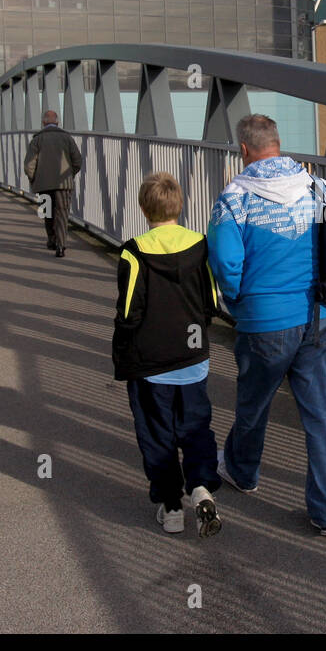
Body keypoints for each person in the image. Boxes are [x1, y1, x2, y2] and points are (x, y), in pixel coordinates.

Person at [207, 114, 326, 536]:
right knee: (320, 416)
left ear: (243, 150)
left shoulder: (234, 197)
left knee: (253, 403)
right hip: (316, 318)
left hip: (262, 322)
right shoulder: (319, 187)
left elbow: (225, 262)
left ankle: (243, 472)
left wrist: (240, 299)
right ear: (278, 143)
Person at [113, 172, 223, 537]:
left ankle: (172, 506)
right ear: (180, 205)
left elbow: (129, 312)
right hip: (193, 359)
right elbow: (210, 302)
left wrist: (122, 354)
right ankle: (202, 486)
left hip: (151, 364)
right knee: (195, 428)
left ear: (145, 208)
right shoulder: (199, 245)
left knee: (157, 434)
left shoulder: (134, 251)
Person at [24, 109, 83, 257]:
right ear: (57, 122)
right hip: (64, 184)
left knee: (47, 213)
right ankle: (61, 246)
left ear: (43, 123)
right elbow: (78, 161)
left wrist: (34, 178)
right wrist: (70, 175)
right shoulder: (67, 138)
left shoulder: (37, 139)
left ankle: (51, 239)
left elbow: (29, 165)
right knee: (62, 213)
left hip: (43, 184)